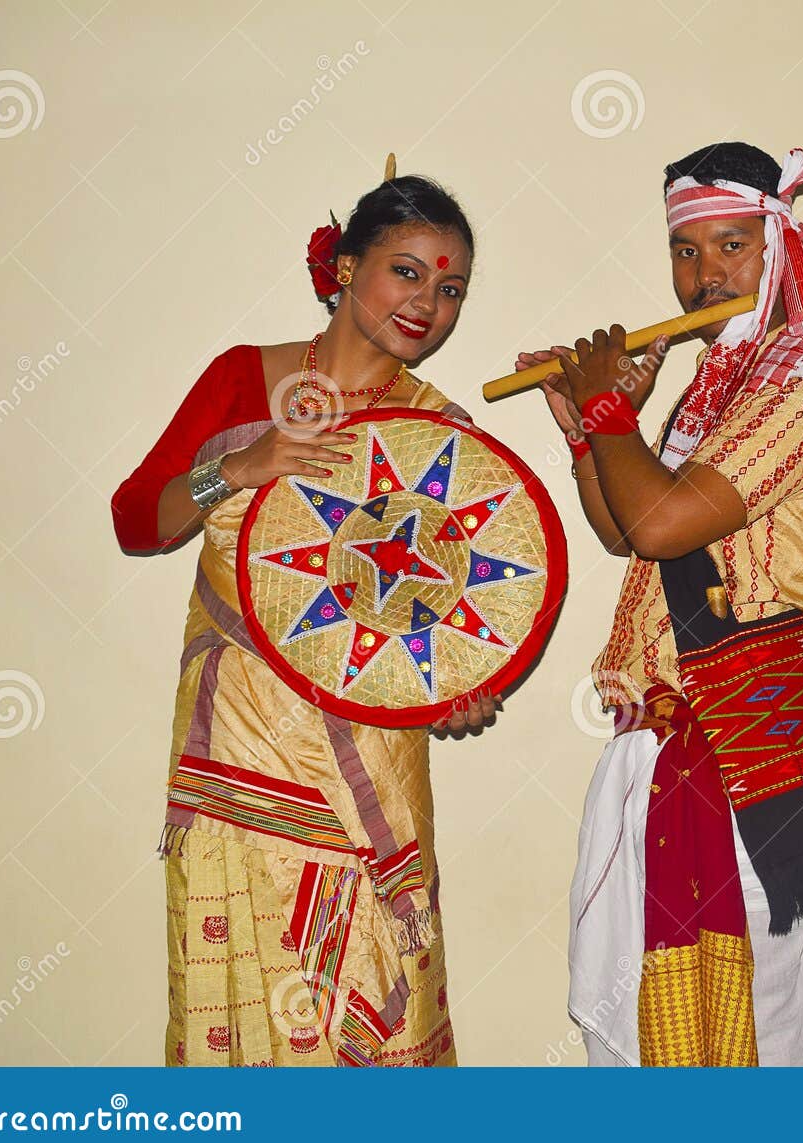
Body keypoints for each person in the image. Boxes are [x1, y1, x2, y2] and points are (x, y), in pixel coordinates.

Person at [112, 173, 500, 1066]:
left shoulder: (441, 433)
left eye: (450, 290)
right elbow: (138, 521)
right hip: (235, 764)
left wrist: (453, 690)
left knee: (376, 1005)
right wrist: (238, 469)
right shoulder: (244, 378)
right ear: (344, 266)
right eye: (406, 272)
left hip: (369, 778)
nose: (428, 305)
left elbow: (457, 623)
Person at [520, 143, 803, 1066]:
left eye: (732, 246)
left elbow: (663, 524)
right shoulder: (715, 399)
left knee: (756, 1029)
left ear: (781, 245)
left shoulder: (801, 395)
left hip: (744, 756)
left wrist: (614, 418)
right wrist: (589, 431)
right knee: (647, 1042)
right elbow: (625, 534)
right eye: (687, 252)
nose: (704, 275)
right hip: (661, 741)